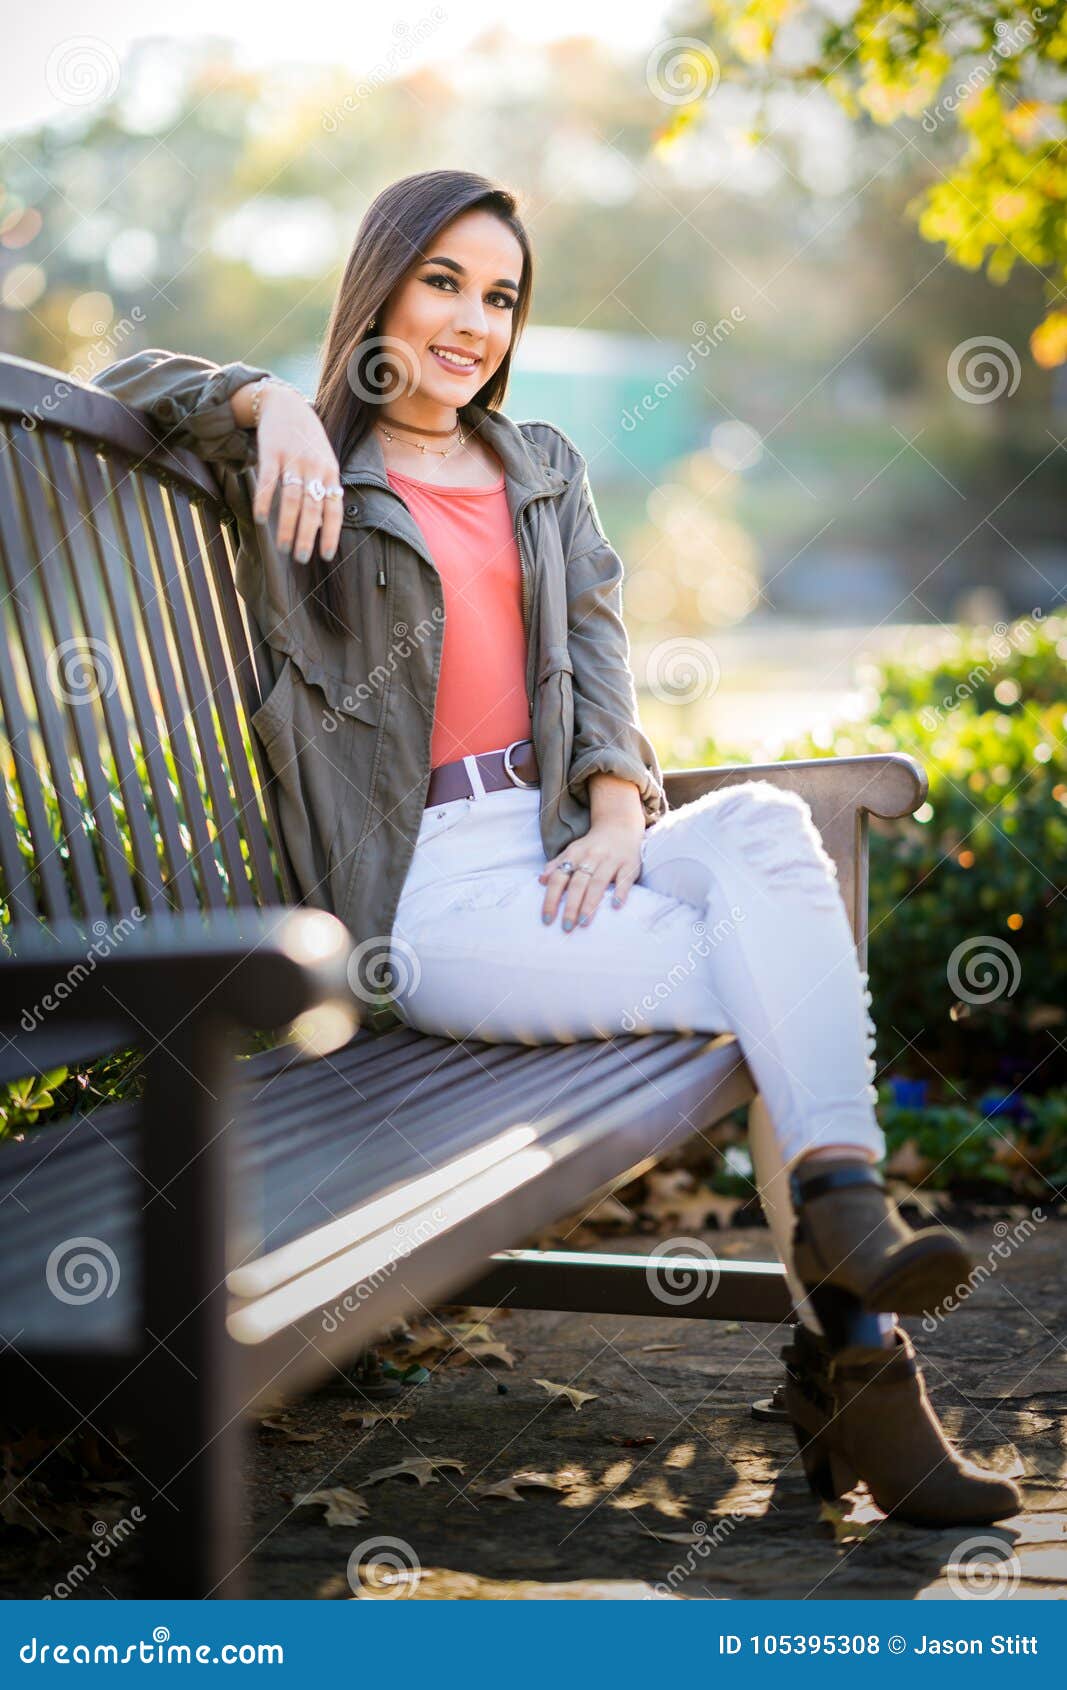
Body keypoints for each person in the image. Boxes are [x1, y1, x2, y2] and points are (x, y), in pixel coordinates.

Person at [94, 168, 1018, 1528]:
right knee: (781, 974)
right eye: (445, 284)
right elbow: (125, 374)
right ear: (384, 288)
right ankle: (861, 1363)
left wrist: (618, 800)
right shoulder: (301, 466)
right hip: (427, 903)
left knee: (764, 827)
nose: (476, 323)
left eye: (504, 297)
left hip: (556, 848)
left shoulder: (541, 469)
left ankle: (844, 1209)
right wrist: (268, 398)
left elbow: (597, 653)